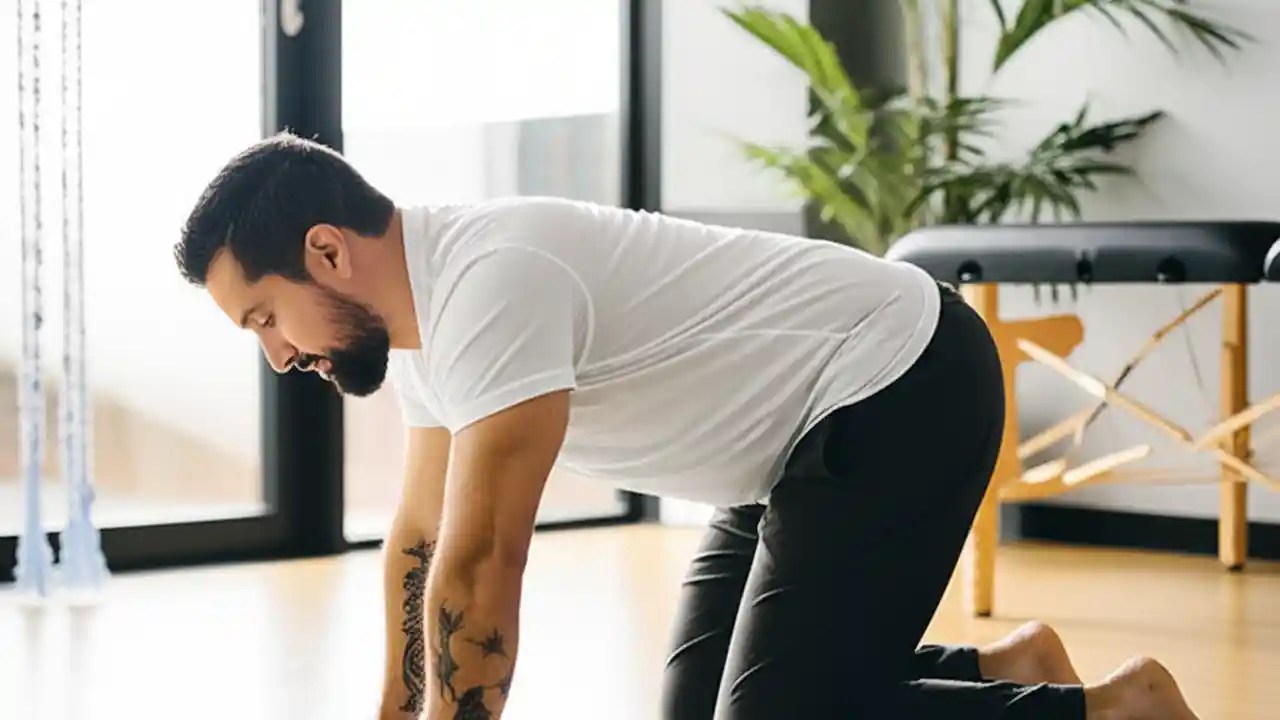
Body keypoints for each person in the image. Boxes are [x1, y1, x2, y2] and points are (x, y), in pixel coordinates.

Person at [174, 132, 1199, 720]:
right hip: (785, 457)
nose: (276, 355)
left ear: (325, 251)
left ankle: (1116, 709)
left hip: (898, 380)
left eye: (266, 316)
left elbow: (483, 559)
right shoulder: (431, 338)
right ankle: (1011, 668)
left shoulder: (493, 279)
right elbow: (422, 546)